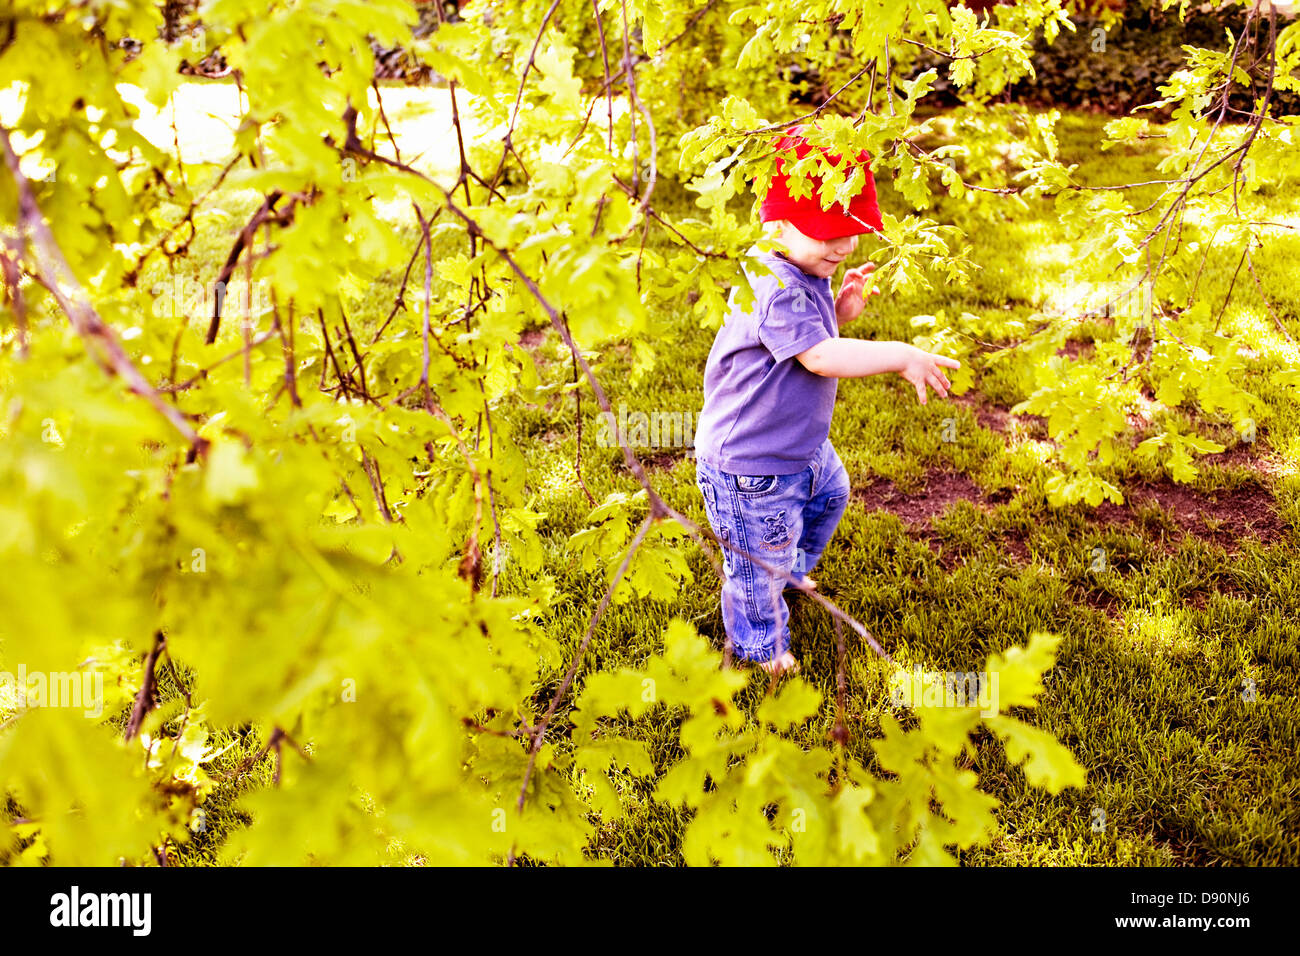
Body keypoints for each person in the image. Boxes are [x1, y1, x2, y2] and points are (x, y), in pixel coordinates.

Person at [692, 123, 961, 675]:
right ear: (781, 223)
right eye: (827, 232)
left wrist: (841, 314)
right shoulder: (776, 282)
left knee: (829, 495)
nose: (842, 245)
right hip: (750, 462)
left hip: (796, 445)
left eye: (852, 229)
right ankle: (759, 648)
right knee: (753, 568)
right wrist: (899, 354)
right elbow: (816, 357)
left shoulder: (804, 265)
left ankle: (789, 565)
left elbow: (808, 341)